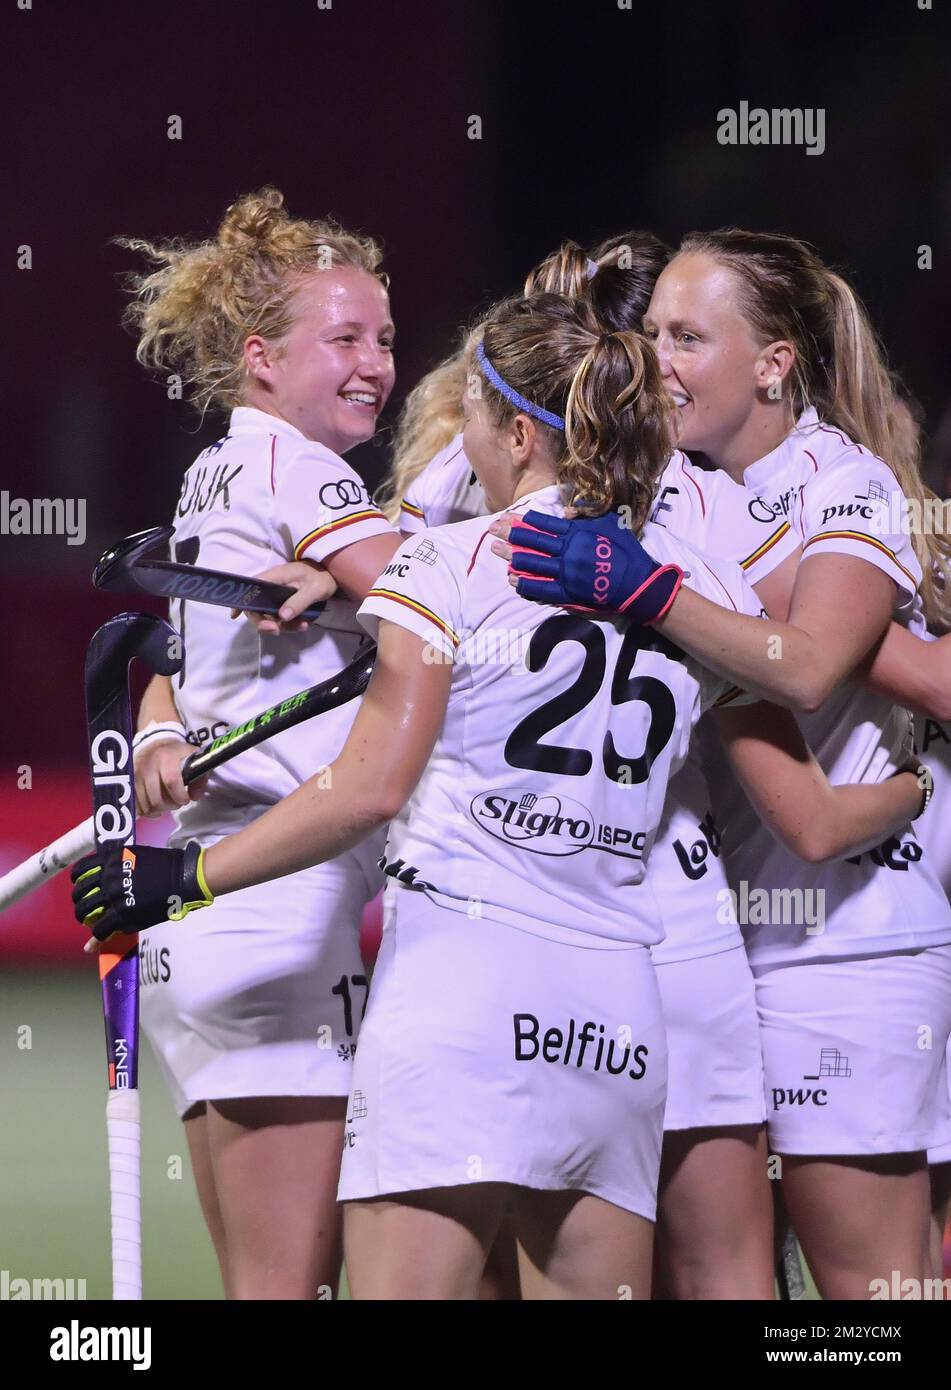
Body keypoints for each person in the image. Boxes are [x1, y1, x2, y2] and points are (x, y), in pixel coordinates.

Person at [74, 292, 927, 1300]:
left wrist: (185, 874)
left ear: (519, 433)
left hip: (461, 999)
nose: (450, 437)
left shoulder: (443, 563)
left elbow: (367, 787)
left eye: (471, 414)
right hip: (617, 1013)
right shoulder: (687, 582)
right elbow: (805, 721)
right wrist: (912, 786)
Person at [494, 229, 951, 1298]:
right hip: (726, 951)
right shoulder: (688, 488)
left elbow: (803, 669)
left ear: (776, 363)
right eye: (651, 335)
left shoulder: (841, 485)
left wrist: (661, 591)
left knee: (875, 1296)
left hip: (848, 946)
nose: (659, 362)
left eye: (689, 338)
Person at [117, 187, 403, 1298]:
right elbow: (442, 609)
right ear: (263, 361)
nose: (375, 361)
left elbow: (179, 676)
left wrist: (163, 715)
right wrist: (349, 570)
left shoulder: (217, 472)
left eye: (383, 336)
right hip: (278, 913)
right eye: (343, 339)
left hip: (226, 922)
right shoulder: (302, 470)